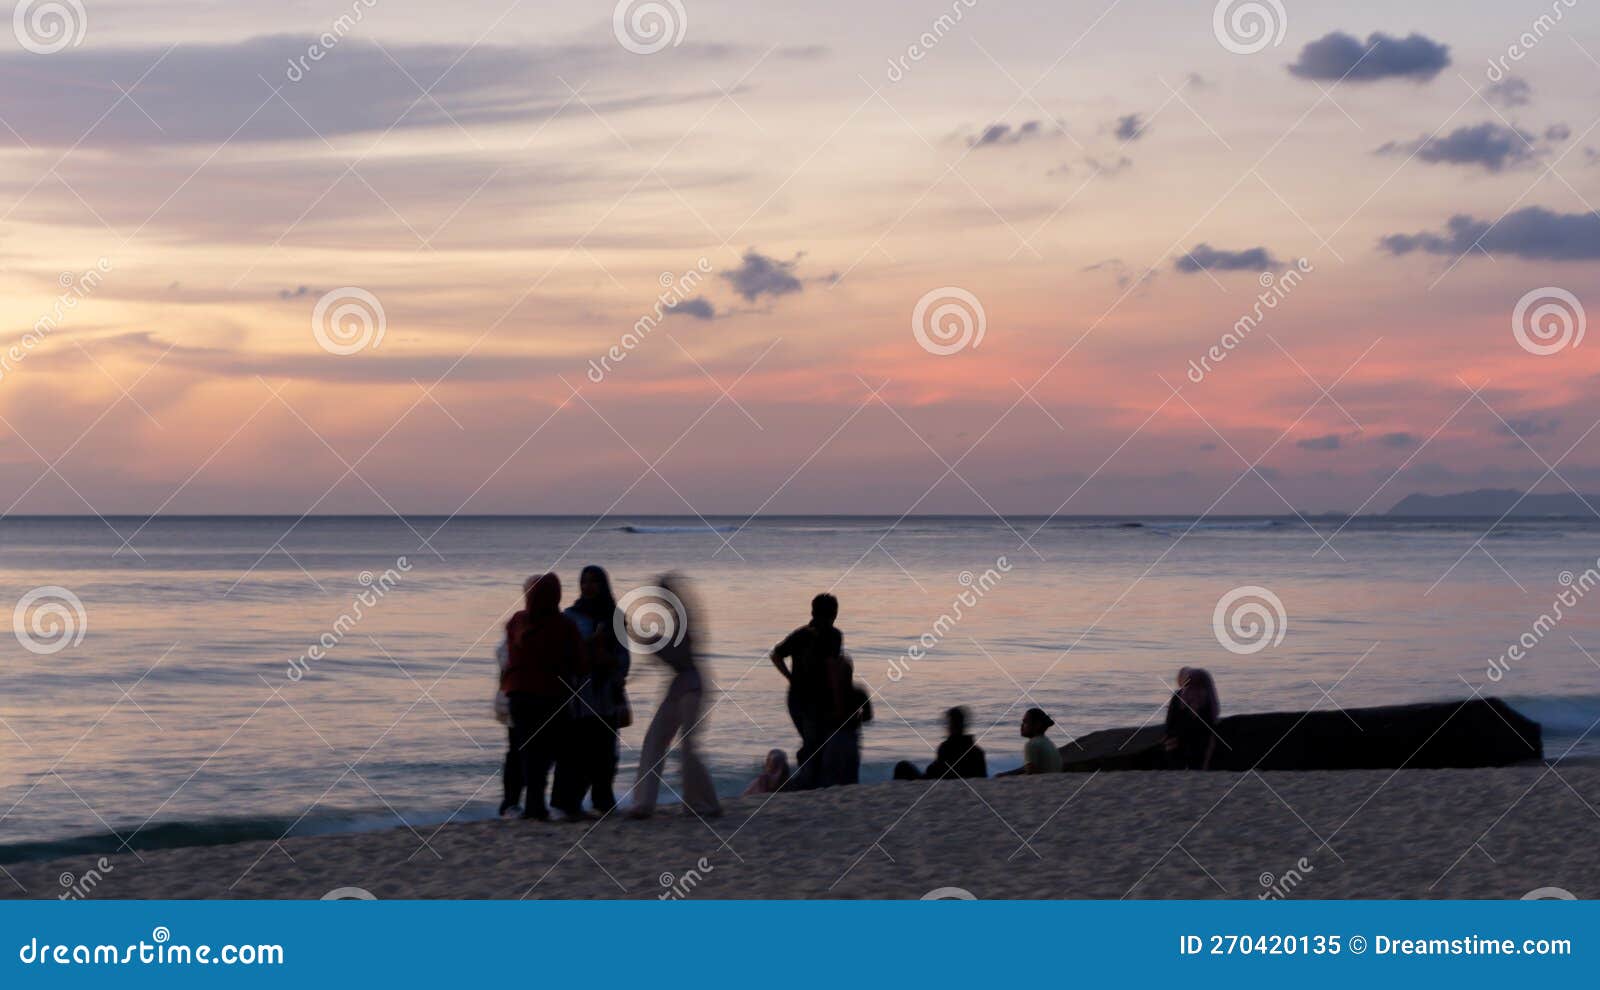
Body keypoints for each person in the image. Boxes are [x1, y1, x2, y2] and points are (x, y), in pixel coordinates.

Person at [629, 576, 722, 819]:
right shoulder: (673, 620)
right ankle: (644, 803)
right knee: (654, 740)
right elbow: (662, 650)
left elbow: (675, 651)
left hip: (691, 686)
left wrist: (643, 636)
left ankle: (704, 804)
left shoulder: (683, 620)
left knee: (688, 746)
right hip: (678, 686)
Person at [503, 573, 584, 821]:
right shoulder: (564, 626)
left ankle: (521, 805)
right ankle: (556, 804)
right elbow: (579, 664)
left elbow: (514, 652)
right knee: (563, 752)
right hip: (552, 695)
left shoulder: (517, 621)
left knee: (524, 752)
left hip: (518, 695)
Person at [553, 565, 631, 818]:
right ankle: (568, 803)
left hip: (607, 693)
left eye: (594, 581)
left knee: (606, 751)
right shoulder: (570, 617)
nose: (588, 586)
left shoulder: (615, 616)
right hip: (579, 694)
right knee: (575, 750)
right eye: (584, 581)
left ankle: (603, 800)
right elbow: (564, 655)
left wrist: (607, 660)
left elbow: (624, 658)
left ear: (603, 584)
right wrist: (591, 648)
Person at [770, 593, 842, 787]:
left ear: (812, 611)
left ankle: (806, 777)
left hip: (797, 697)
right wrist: (837, 702)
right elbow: (832, 669)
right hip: (814, 699)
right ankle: (808, 781)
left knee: (813, 741)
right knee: (814, 742)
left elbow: (776, 655)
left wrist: (790, 678)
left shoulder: (800, 634)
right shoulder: (834, 636)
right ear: (834, 614)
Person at [815, 651, 872, 787]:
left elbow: (818, 717)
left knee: (833, 774)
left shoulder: (826, 693)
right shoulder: (857, 692)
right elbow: (868, 716)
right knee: (848, 774)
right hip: (848, 736)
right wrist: (857, 718)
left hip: (836, 736)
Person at [1164, 666, 1220, 770]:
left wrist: (1169, 738)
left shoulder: (1179, 696)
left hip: (1180, 743)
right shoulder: (1209, 699)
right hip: (1198, 744)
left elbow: (1169, 723)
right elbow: (1211, 725)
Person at [494, 638, 521, 817]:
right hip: (527, 698)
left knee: (515, 752)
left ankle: (510, 803)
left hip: (512, 698)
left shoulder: (517, 626)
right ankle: (512, 802)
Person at [924, 706, 988, 780]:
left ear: (953, 725)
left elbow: (936, 771)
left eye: (948, 723)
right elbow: (982, 778)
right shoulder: (977, 751)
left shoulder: (946, 748)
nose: (946, 726)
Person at [1020, 707, 1063, 774]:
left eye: (1025, 722)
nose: (1022, 725)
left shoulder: (1031, 745)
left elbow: (1031, 774)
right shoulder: (1049, 743)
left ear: (1037, 725)